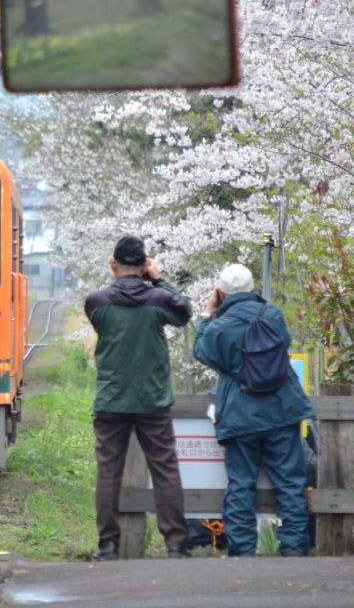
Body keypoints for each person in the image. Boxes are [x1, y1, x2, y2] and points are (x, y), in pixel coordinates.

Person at [193, 262, 313, 557]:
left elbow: (202, 351)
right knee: (290, 484)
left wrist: (208, 316)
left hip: (240, 414)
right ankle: (295, 550)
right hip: (281, 409)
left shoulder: (219, 327)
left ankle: (242, 553)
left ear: (220, 292)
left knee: (241, 485)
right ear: (252, 289)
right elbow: (284, 344)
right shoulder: (271, 314)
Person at [84, 234, 192, 560]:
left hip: (112, 399)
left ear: (112, 264)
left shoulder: (96, 302)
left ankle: (108, 545)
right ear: (145, 265)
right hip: (152, 400)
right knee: (165, 469)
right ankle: (175, 545)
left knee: (108, 472)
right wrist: (159, 279)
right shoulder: (158, 300)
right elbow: (184, 311)